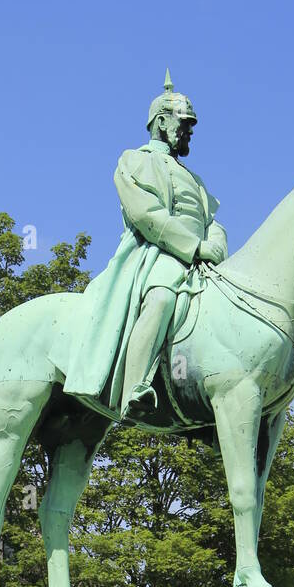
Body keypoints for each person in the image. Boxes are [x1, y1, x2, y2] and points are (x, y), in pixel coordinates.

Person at [62, 70, 227, 418]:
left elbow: (212, 221)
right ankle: (136, 387)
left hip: (203, 260)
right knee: (162, 296)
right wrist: (194, 247)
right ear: (161, 121)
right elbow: (147, 216)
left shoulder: (194, 179)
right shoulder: (133, 160)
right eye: (184, 125)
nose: (188, 133)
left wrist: (215, 246)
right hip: (159, 254)